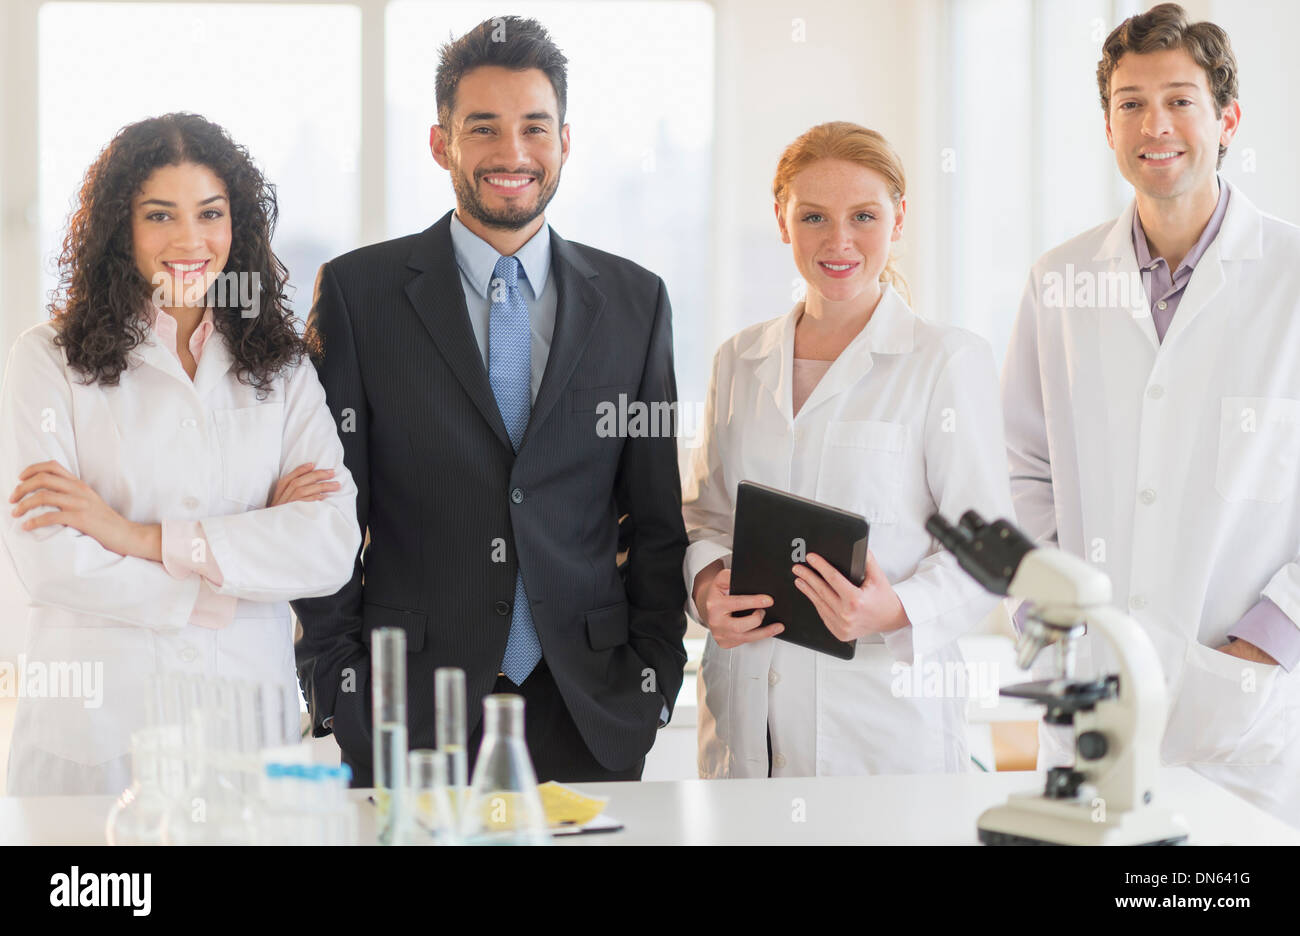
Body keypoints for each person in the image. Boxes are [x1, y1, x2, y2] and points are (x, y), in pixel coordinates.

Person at [291, 16, 688, 786]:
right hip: (406, 712)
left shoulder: (637, 303)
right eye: (484, 128)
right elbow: (327, 515)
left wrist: (654, 686)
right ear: (441, 144)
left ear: (565, 142)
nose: (512, 154)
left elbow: (659, 524)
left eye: (535, 127)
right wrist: (340, 694)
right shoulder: (358, 295)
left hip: (590, 710)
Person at [0, 113, 361, 795]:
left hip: (244, 730)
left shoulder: (281, 369)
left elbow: (328, 547)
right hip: (96, 738)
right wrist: (229, 576)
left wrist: (127, 534)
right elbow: (52, 561)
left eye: (211, 213)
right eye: (159, 215)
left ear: (239, 225)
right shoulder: (47, 361)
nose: (190, 240)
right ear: (120, 229)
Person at [1003, 3, 1300, 826]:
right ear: (1108, 126)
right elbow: (1019, 467)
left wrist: (1269, 642)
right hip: (1089, 699)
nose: (1154, 124)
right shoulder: (1059, 280)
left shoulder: (1291, 277)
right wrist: (1045, 612)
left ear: (1226, 118)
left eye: (1179, 99)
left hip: (1241, 718)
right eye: (1130, 102)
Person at [682, 122, 1014, 778]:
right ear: (782, 220)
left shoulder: (944, 361)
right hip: (745, 720)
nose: (838, 241)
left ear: (899, 219)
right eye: (813, 217)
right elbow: (706, 519)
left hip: (879, 731)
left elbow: (991, 554)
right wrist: (705, 588)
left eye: (863, 215)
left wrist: (894, 609)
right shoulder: (740, 361)